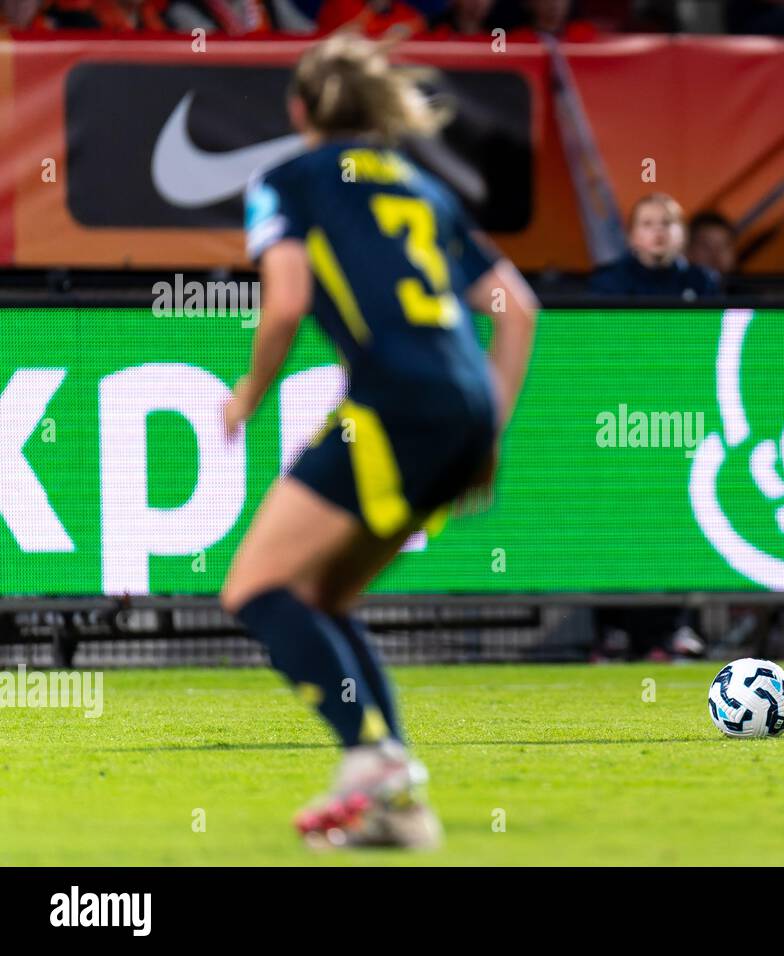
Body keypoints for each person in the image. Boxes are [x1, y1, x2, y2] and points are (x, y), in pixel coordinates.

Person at [221, 33, 537, 848]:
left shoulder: (284, 180)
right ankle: (397, 802)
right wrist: (489, 421)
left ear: (299, 110)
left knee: (254, 590)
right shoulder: (421, 185)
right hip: (464, 402)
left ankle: (372, 762)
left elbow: (286, 303)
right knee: (323, 595)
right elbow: (517, 305)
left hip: (397, 400)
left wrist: (251, 391)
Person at [589, 193, 720, 299]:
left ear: (683, 234)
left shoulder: (704, 281)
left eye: (667, 222)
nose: (658, 230)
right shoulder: (608, 282)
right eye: (647, 224)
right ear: (631, 236)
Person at [686, 211, 736, 294]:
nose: (716, 255)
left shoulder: (751, 296)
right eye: (706, 247)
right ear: (688, 250)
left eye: (723, 246)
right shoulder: (676, 294)